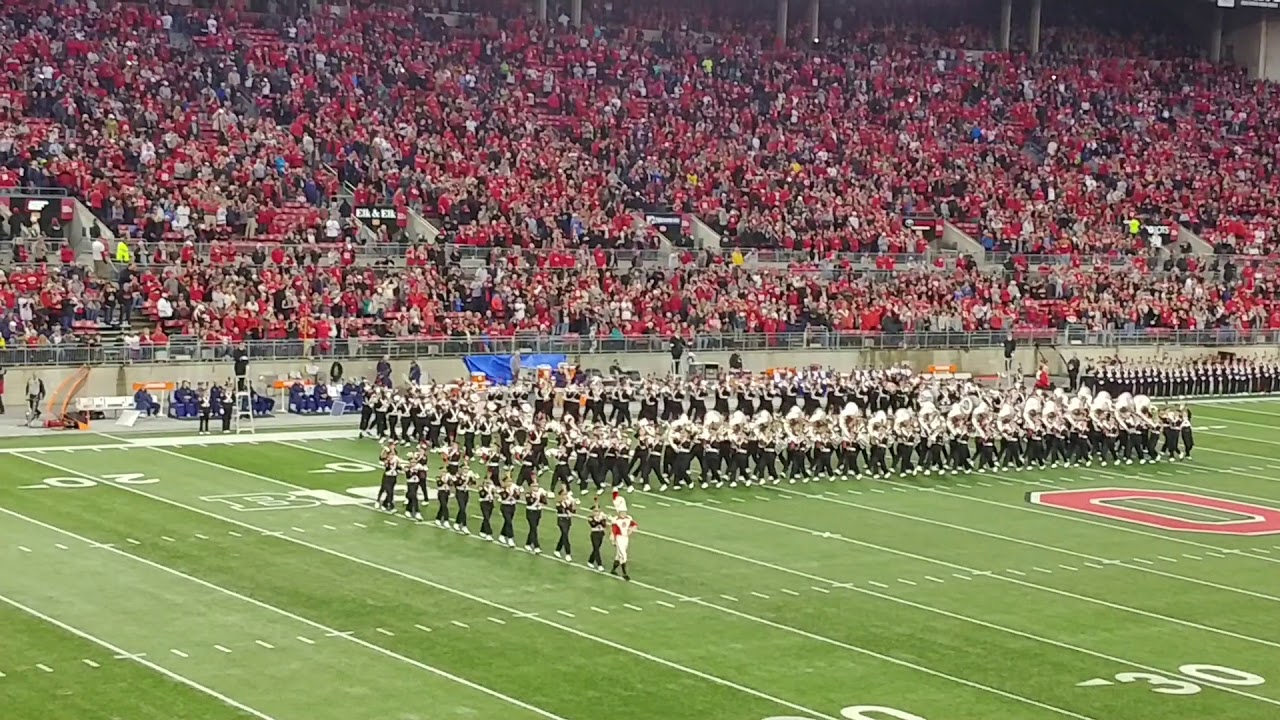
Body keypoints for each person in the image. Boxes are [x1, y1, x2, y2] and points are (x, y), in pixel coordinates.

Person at [610, 510, 638, 581]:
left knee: (618, 555)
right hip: (619, 538)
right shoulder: (616, 520)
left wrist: (631, 530)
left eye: (624, 512)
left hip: (625, 538)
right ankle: (624, 573)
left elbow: (634, 524)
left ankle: (613, 570)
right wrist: (613, 540)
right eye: (621, 513)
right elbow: (613, 531)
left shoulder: (628, 518)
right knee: (623, 555)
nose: (623, 514)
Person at [553, 486, 578, 562]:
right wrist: (567, 503)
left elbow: (573, 511)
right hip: (561, 519)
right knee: (565, 535)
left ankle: (557, 550)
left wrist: (573, 504)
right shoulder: (558, 503)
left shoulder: (569, 502)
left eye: (566, 494)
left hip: (568, 520)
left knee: (564, 535)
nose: (565, 496)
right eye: (563, 494)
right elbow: (561, 509)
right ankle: (568, 553)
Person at [524, 479, 549, 553]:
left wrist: (544, 495)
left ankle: (528, 543)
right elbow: (530, 501)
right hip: (531, 512)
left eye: (537, 486)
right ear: (531, 487)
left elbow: (545, 502)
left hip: (538, 512)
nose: (536, 487)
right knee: (534, 528)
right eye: (534, 486)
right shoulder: (528, 494)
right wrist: (538, 496)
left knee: (533, 529)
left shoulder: (540, 493)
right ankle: (536, 546)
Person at [587, 500, 608, 571]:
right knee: (596, 548)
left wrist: (603, 519)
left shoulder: (602, 517)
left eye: (598, 511)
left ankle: (590, 561)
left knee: (596, 549)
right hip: (594, 534)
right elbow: (594, 524)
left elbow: (604, 525)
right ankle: (599, 564)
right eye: (595, 511)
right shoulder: (590, 517)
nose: (597, 513)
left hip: (601, 534)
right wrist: (599, 519)